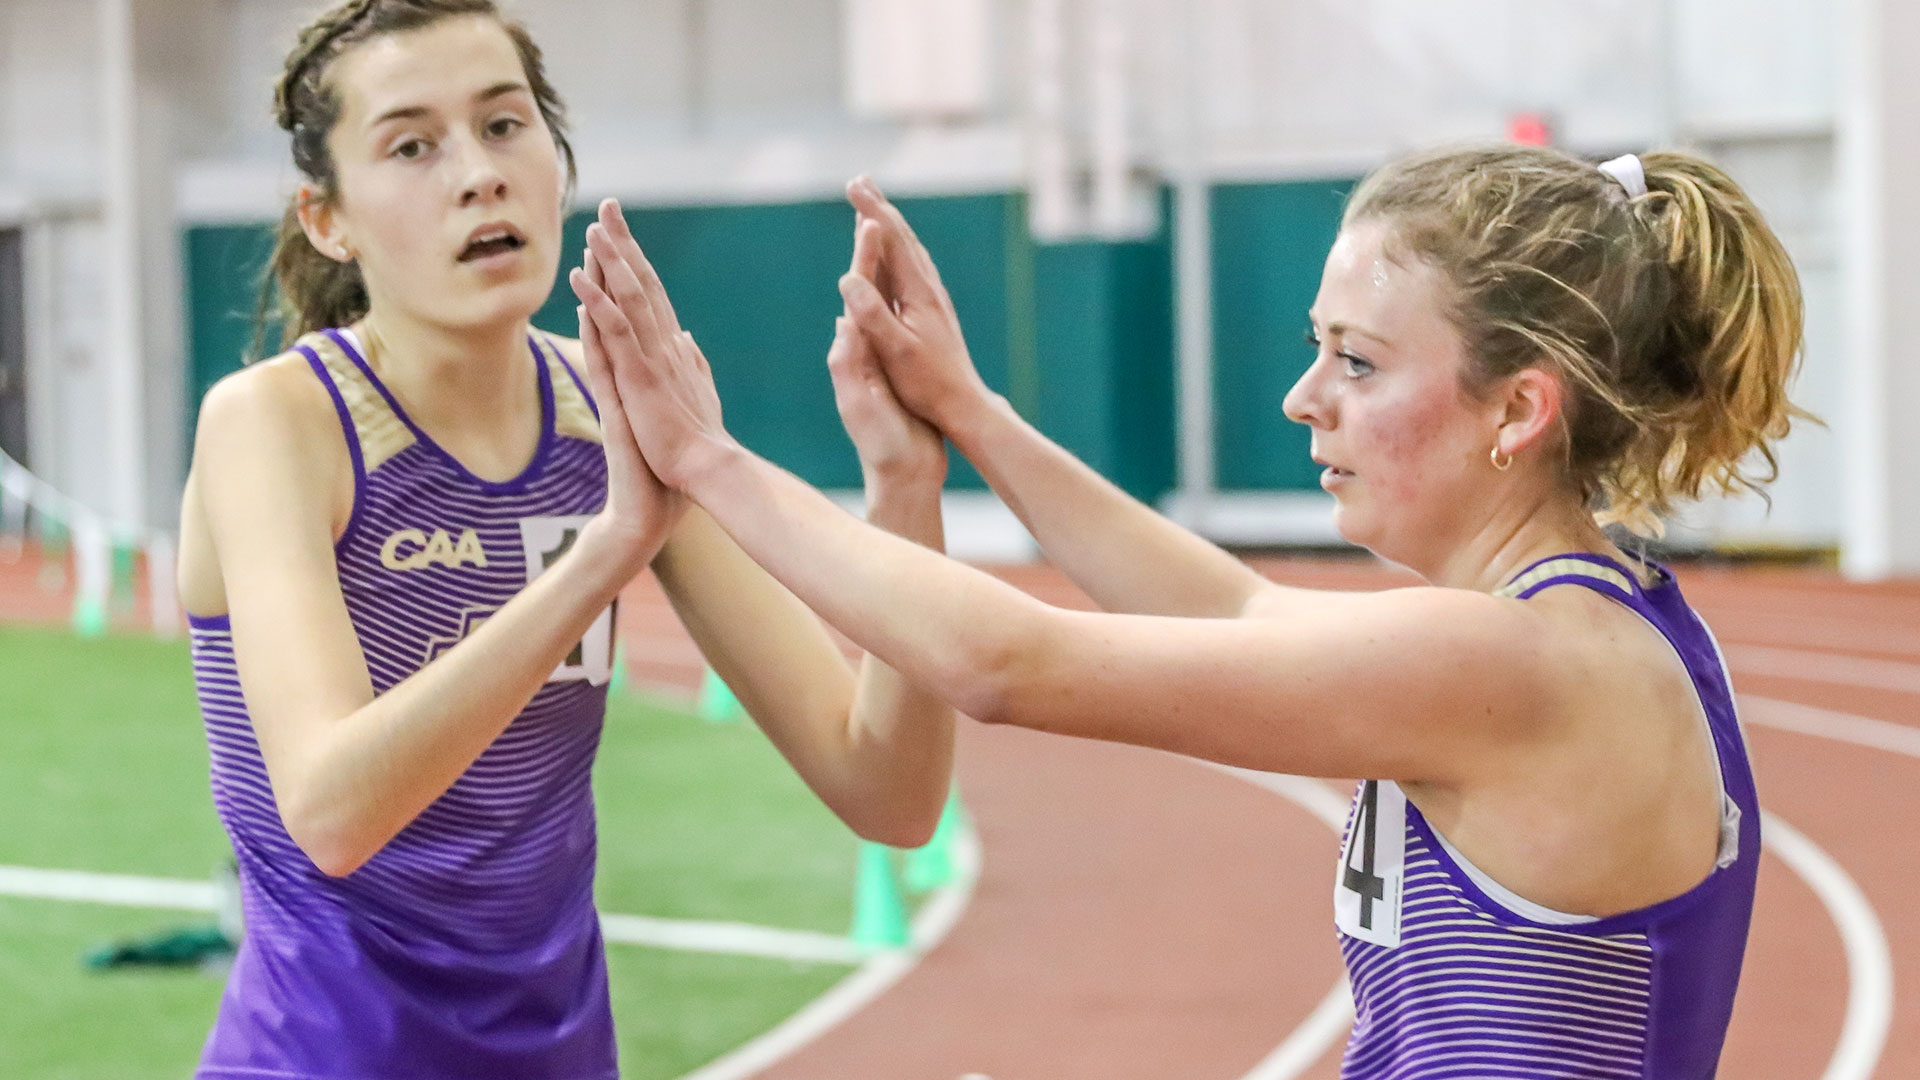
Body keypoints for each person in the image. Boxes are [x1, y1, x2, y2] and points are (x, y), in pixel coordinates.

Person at [574, 145, 1803, 1076]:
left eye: (1358, 362)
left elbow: (1006, 664)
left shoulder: (1519, 663)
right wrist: (970, 414)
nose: (1301, 398)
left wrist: (708, 460)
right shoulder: (1590, 622)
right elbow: (1235, 605)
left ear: (1518, 412)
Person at [173, 2, 953, 1076]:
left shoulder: (616, 412)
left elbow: (891, 794)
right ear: (327, 218)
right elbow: (333, 809)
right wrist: (603, 557)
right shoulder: (275, 424)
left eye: (505, 125)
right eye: (412, 145)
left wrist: (907, 483)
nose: (479, 174)